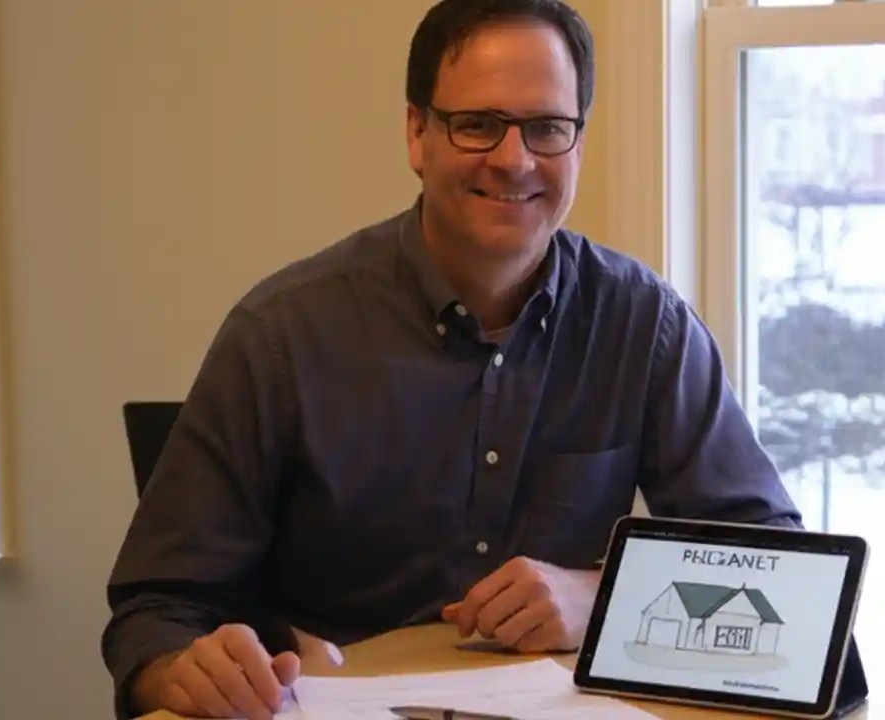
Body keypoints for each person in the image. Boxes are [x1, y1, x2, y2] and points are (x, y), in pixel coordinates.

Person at [102, 1, 800, 718]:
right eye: (477, 125)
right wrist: (184, 671)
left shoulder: (644, 324)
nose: (514, 159)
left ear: (578, 143)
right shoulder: (280, 334)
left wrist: (602, 597)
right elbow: (156, 611)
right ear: (416, 133)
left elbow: (781, 570)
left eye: (547, 128)